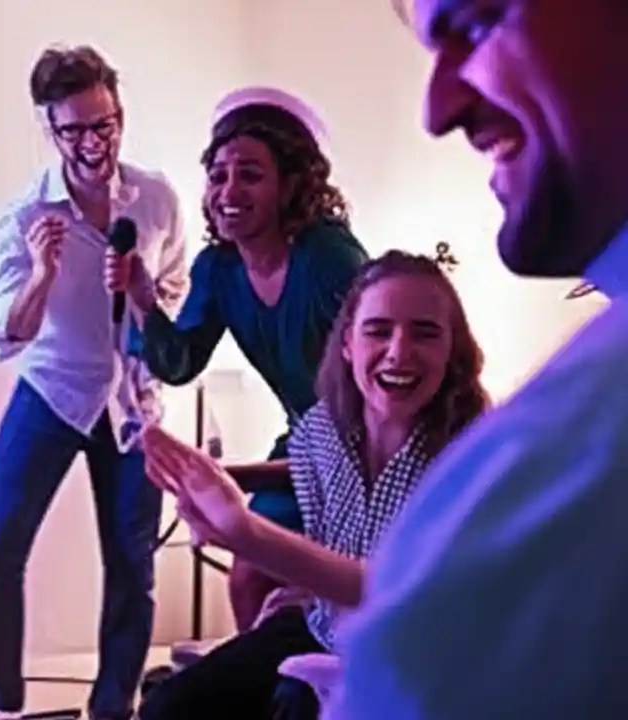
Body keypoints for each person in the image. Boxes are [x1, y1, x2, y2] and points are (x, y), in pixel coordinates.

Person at [324, 1, 628, 717]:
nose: (438, 110)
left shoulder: (568, 451)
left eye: (480, 20)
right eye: (377, 331)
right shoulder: (323, 440)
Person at [135, 250, 489, 719]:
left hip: (418, 661)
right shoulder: (321, 428)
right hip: (323, 626)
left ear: (452, 351)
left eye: (424, 333)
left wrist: (244, 531)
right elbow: (308, 477)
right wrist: (223, 480)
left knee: (294, 703)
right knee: (169, 707)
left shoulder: (476, 457)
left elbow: (400, 590)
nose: (399, 352)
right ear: (347, 344)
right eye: (378, 330)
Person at [0, 45, 187, 720]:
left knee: (133, 568)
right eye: (76, 130)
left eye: (106, 124)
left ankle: (113, 707)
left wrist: (145, 291)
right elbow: (2, 335)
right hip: (52, 391)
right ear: (50, 126)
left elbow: (176, 289)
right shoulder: (26, 215)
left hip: (130, 401)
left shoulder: (156, 199)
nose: (94, 142)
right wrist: (41, 274)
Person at [113, 88, 369, 630]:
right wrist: (143, 300)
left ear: (292, 185)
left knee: (271, 577)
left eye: (250, 175)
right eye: (218, 175)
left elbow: (376, 398)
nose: (228, 192)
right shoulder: (219, 267)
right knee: (250, 577)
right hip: (306, 443)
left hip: (370, 453)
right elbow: (177, 363)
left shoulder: (329, 257)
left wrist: (225, 478)